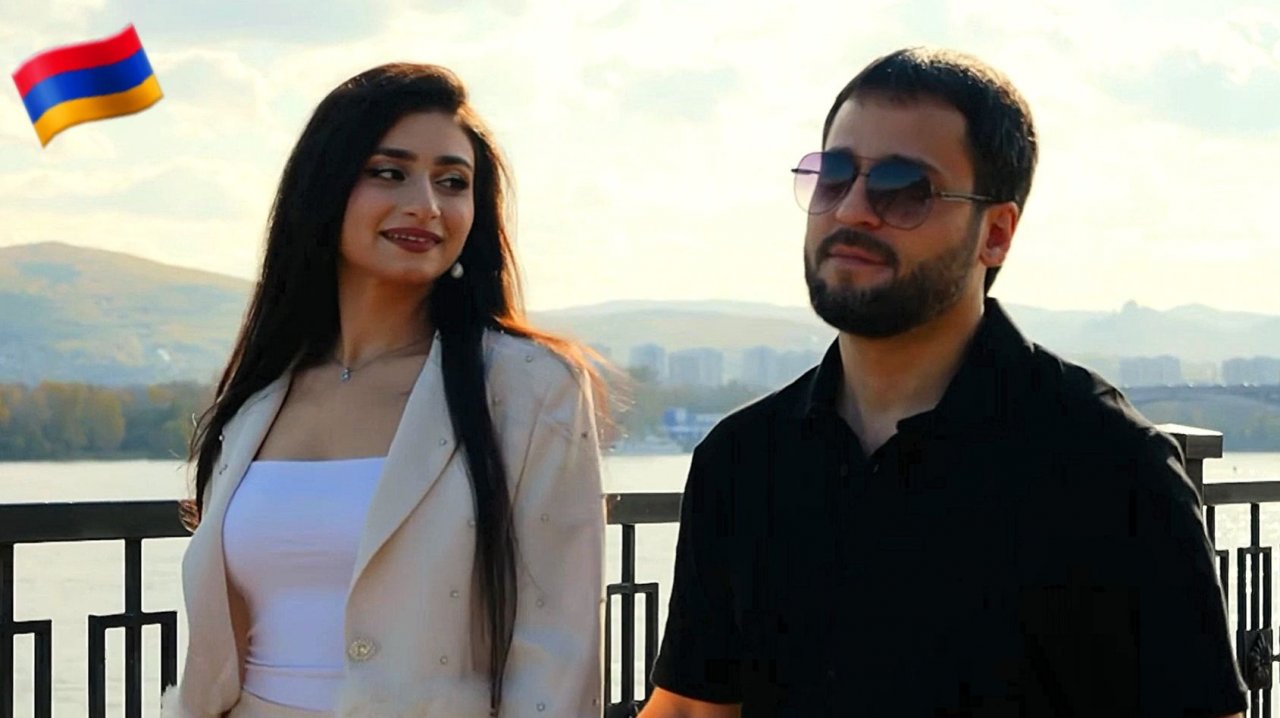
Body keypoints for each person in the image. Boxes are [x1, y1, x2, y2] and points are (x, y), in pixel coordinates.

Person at [639, 47, 1247, 717]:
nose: (853, 210)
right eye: (833, 176)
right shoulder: (743, 461)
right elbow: (692, 708)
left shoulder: (1109, 467)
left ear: (996, 234)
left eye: (905, 188)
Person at [163, 63, 606, 718]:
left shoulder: (529, 388)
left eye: (452, 182)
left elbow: (558, 653)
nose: (426, 204)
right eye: (389, 172)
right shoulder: (259, 395)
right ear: (325, 187)